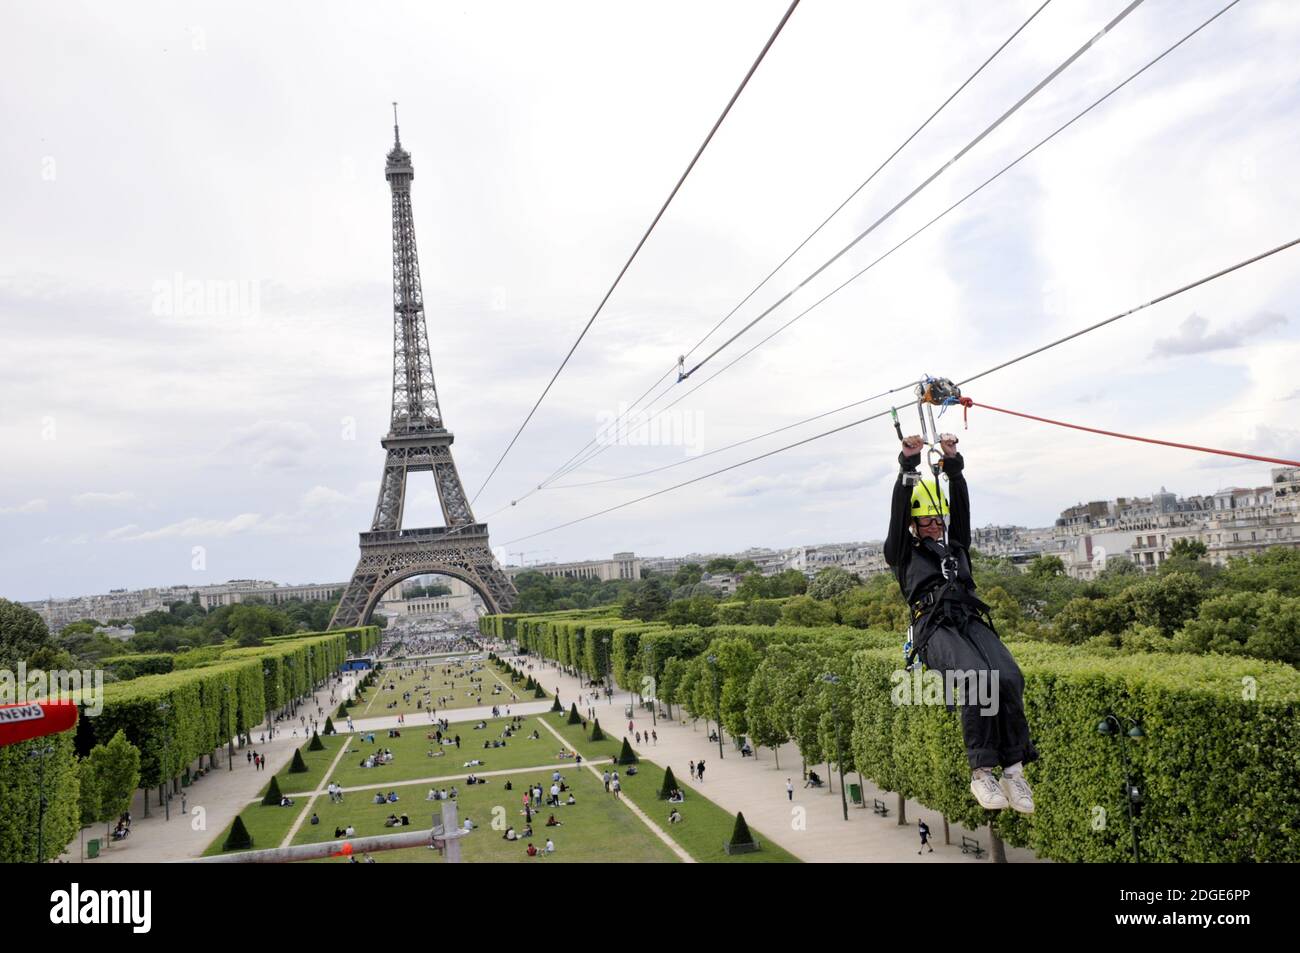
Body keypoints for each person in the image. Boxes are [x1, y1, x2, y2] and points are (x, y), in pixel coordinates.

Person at [884, 432, 1037, 813]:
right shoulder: (903, 554)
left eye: (938, 520)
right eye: (926, 522)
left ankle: (1014, 770)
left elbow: (962, 504)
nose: (934, 526)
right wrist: (909, 464)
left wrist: (953, 464)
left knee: (1008, 676)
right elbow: (900, 508)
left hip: (967, 618)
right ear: (914, 526)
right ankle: (982, 771)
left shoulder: (957, 546)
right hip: (933, 627)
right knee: (973, 678)